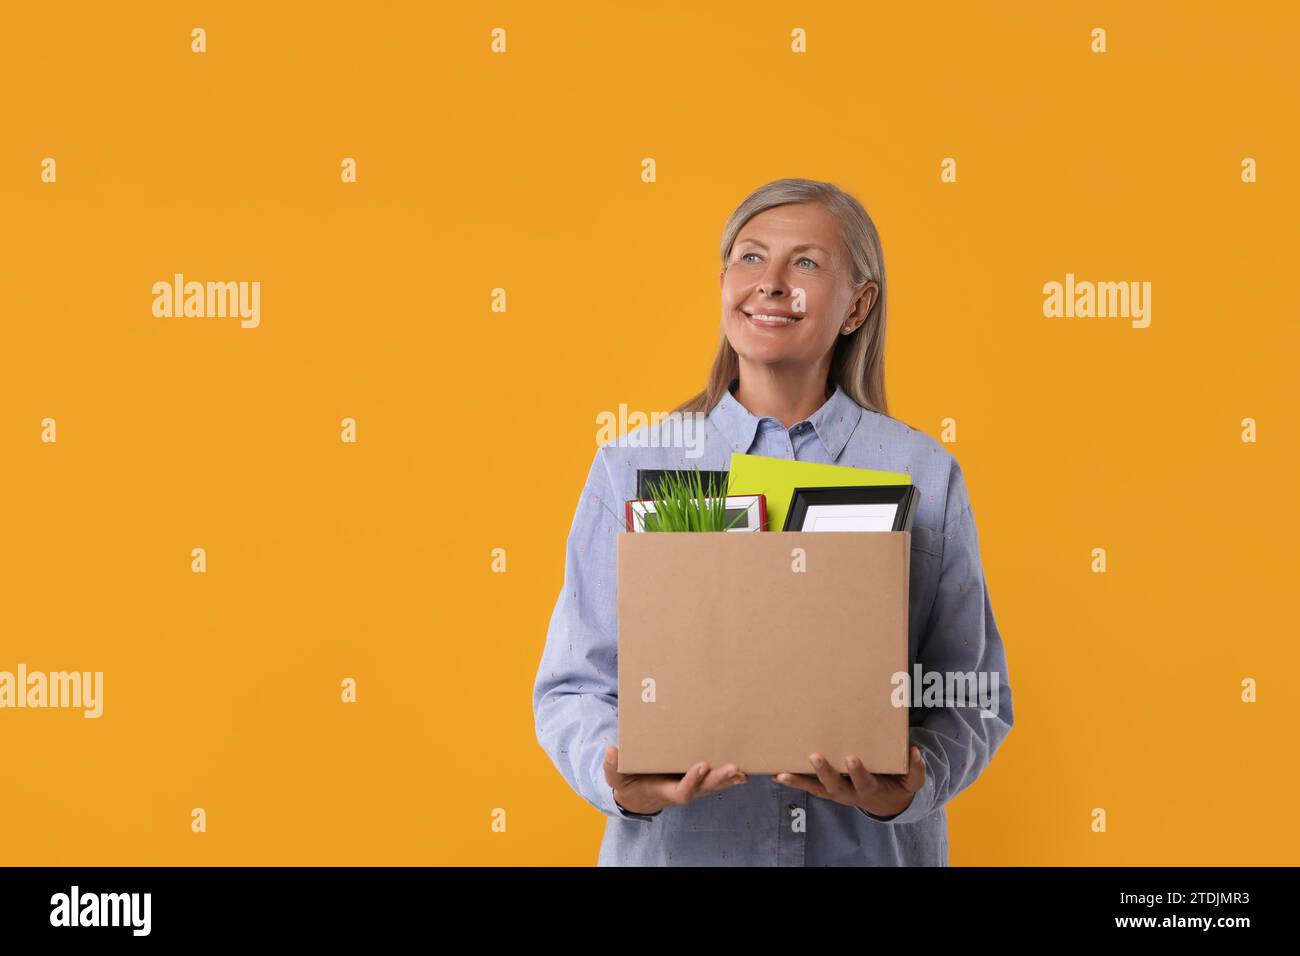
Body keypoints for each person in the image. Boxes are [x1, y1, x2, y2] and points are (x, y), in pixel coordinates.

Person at [531, 177, 1013, 865]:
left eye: (807, 263)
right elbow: (574, 686)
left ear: (858, 305)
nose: (772, 283)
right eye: (750, 257)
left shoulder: (924, 472)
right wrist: (619, 778)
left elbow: (974, 692)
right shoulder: (630, 466)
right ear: (724, 281)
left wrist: (914, 782)